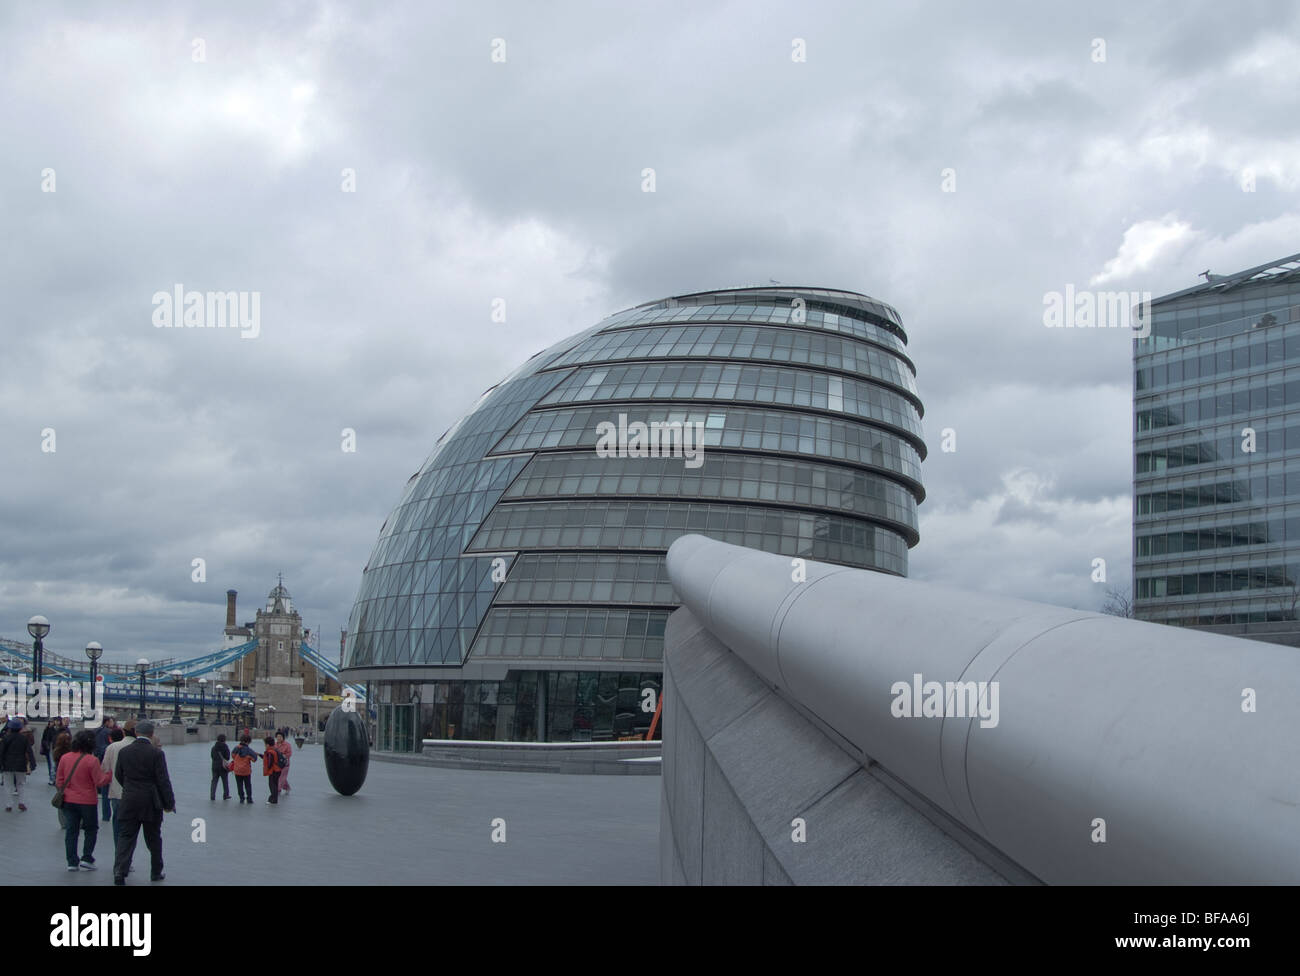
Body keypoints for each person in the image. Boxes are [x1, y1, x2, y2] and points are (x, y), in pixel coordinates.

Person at [112, 720, 175, 885]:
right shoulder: (156, 753)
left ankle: (119, 871)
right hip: (151, 802)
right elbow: (163, 781)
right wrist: (169, 803)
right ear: (152, 734)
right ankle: (156, 871)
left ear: (136, 732)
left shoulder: (124, 752)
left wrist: (129, 788)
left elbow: (119, 774)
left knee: (125, 837)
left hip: (129, 800)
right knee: (153, 839)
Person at [54, 729, 111, 870]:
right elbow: (99, 781)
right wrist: (109, 774)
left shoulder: (65, 757)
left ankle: (72, 862)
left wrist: (67, 790)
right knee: (91, 829)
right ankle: (87, 858)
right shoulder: (92, 760)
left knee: (71, 831)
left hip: (68, 800)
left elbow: (59, 781)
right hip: (87, 801)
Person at [102, 725, 131, 859]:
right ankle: (127, 857)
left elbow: (104, 769)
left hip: (116, 791)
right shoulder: (143, 747)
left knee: (118, 824)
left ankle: (118, 854)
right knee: (131, 827)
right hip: (135, 795)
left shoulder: (112, 747)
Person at [1, 717, 36, 812]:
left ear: (10, 728)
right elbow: (29, 752)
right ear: (20, 728)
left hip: (7, 765)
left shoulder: (6, 738)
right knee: (21, 784)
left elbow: (1, 752)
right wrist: (33, 764)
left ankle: (9, 805)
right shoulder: (24, 739)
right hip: (21, 765)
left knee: (8, 785)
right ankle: (21, 803)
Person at [93, 716, 116, 821]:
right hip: (108, 759)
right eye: (111, 721)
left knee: (104, 789)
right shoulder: (108, 732)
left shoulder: (95, 731)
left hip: (98, 758)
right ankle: (114, 812)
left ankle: (105, 815)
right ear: (107, 722)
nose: (113, 723)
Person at [229, 734, 260, 804]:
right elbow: (254, 759)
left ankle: (241, 798)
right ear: (248, 742)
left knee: (239, 785)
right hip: (246, 771)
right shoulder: (249, 750)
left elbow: (233, 756)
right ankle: (249, 798)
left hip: (237, 770)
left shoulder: (236, 748)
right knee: (248, 785)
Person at [40, 717, 63, 785]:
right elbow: (45, 739)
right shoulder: (49, 729)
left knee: (55, 764)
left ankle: (54, 778)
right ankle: (52, 778)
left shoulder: (61, 729)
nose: (56, 722)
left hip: (58, 748)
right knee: (53, 764)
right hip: (51, 748)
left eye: (58, 721)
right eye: (55, 721)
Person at [262, 735, 283, 804]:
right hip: (278, 770)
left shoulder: (270, 752)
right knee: (275, 784)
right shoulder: (275, 749)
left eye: (265, 744)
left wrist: (267, 768)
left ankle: (272, 799)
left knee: (272, 785)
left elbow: (270, 762)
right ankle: (274, 799)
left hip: (273, 770)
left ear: (267, 744)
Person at [210, 734, 231, 801]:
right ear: (224, 740)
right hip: (223, 767)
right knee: (225, 781)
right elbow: (227, 757)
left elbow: (212, 756)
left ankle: (212, 796)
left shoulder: (214, 747)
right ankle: (226, 795)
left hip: (214, 766)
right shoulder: (225, 747)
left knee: (214, 781)